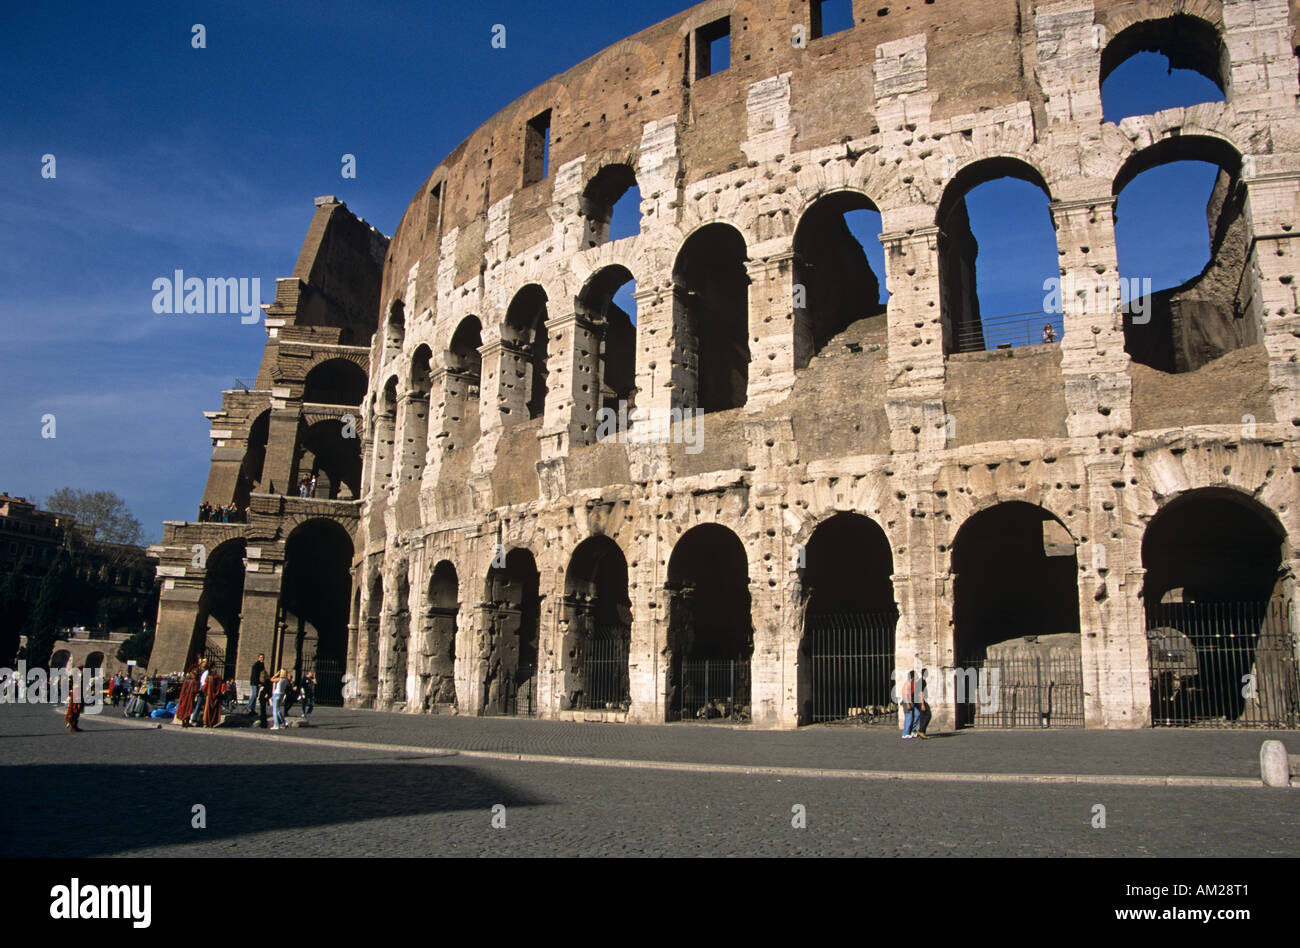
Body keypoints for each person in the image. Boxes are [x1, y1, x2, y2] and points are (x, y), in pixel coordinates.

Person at [915, 668, 932, 739]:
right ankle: (921, 731)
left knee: (923, 715)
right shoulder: (922, 681)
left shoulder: (921, 680)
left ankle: (922, 732)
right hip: (920, 701)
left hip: (918, 700)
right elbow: (921, 692)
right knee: (928, 714)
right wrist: (922, 704)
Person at [901, 670, 916, 739]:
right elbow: (905, 694)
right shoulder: (907, 683)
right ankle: (905, 733)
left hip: (911, 702)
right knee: (908, 718)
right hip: (907, 702)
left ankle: (911, 731)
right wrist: (907, 704)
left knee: (913, 716)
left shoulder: (912, 683)